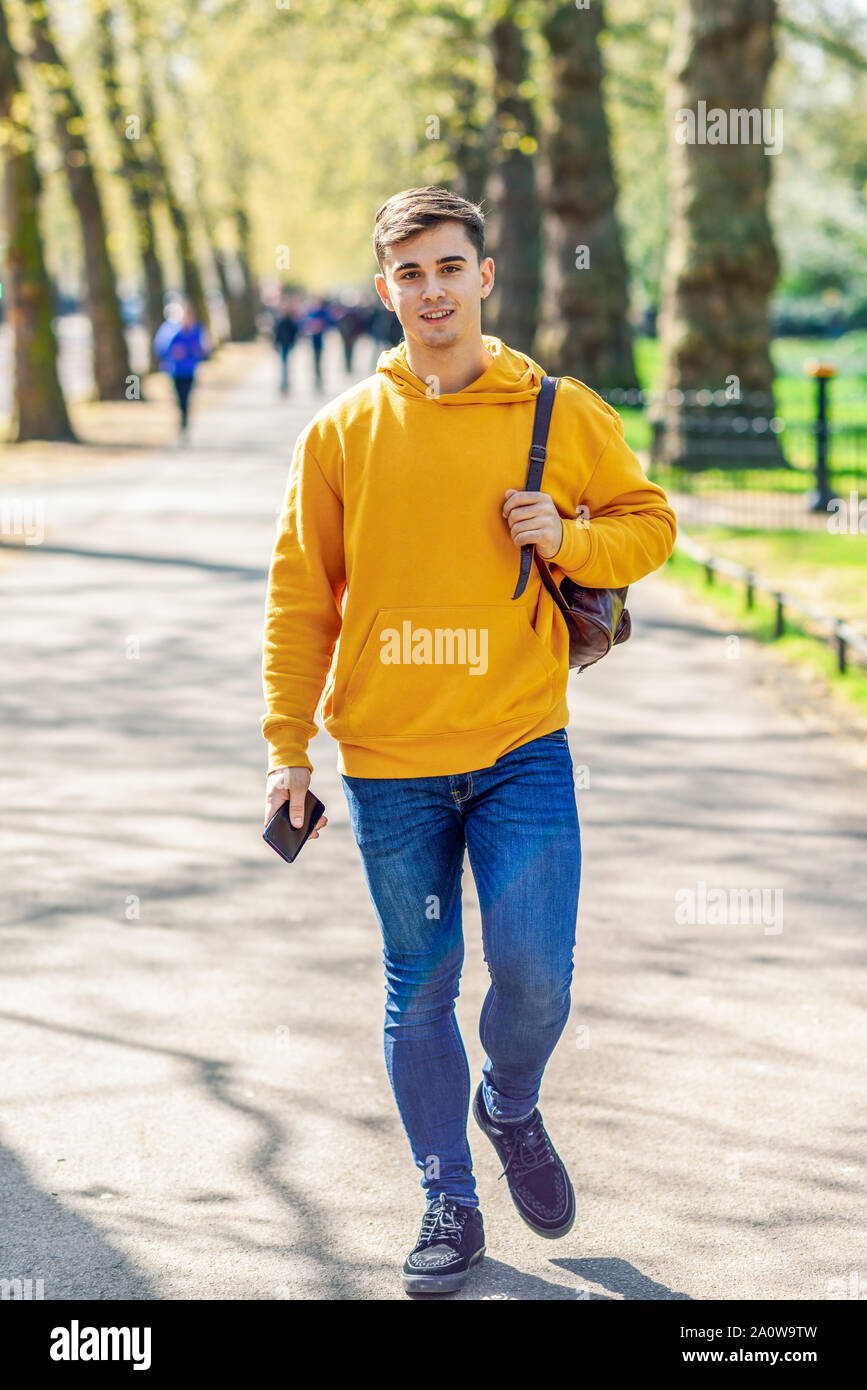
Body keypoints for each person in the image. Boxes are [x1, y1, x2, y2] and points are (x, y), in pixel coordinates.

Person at [261, 186, 677, 1295]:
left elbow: (653, 522)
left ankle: (512, 1102)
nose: (432, 290)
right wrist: (286, 748)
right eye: (410, 273)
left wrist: (575, 537)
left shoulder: (556, 408)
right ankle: (448, 1193)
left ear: (484, 277)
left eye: (451, 267)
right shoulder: (343, 432)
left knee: (537, 976)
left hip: (519, 745)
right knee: (422, 978)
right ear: (385, 287)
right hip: (391, 765)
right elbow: (301, 600)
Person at [152, 298, 209, 440]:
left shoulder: (196, 329)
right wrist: (173, 352)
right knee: (178, 398)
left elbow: (204, 349)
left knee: (186, 397)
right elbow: (160, 347)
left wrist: (197, 352)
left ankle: (184, 422)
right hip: (174, 370)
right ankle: (180, 420)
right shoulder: (170, 328)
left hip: (190, 370)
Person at [298, 295, 332, 392]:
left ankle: (319, 381)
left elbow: (328, 323)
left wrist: (321, 326)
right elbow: (303, 324)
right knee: (313, 363)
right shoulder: (311, 312)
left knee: (319, 362)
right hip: (312, 341)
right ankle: (315, 380)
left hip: (319, 342)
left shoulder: (323, 312)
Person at [273, 290, 300, 395]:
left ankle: (285, 383)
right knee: (284, 364)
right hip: (284, 344)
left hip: (287, 344)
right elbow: (276, 333)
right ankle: (284, 383)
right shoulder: (282, 320)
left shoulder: (289, 321)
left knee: (285, 364)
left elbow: (294, 332)